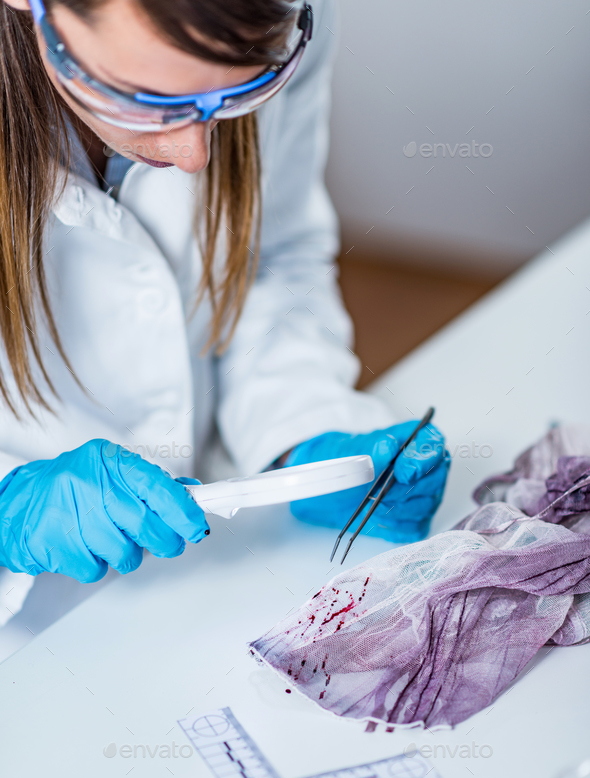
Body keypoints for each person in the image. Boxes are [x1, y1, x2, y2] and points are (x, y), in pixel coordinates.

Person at [0, 0, 450, 609]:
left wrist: (302, 427)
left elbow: (273, 257)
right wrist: (11, 513)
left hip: (202, 575)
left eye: (241, 95)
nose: (194, 157)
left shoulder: (279, 15)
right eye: (145, 100)